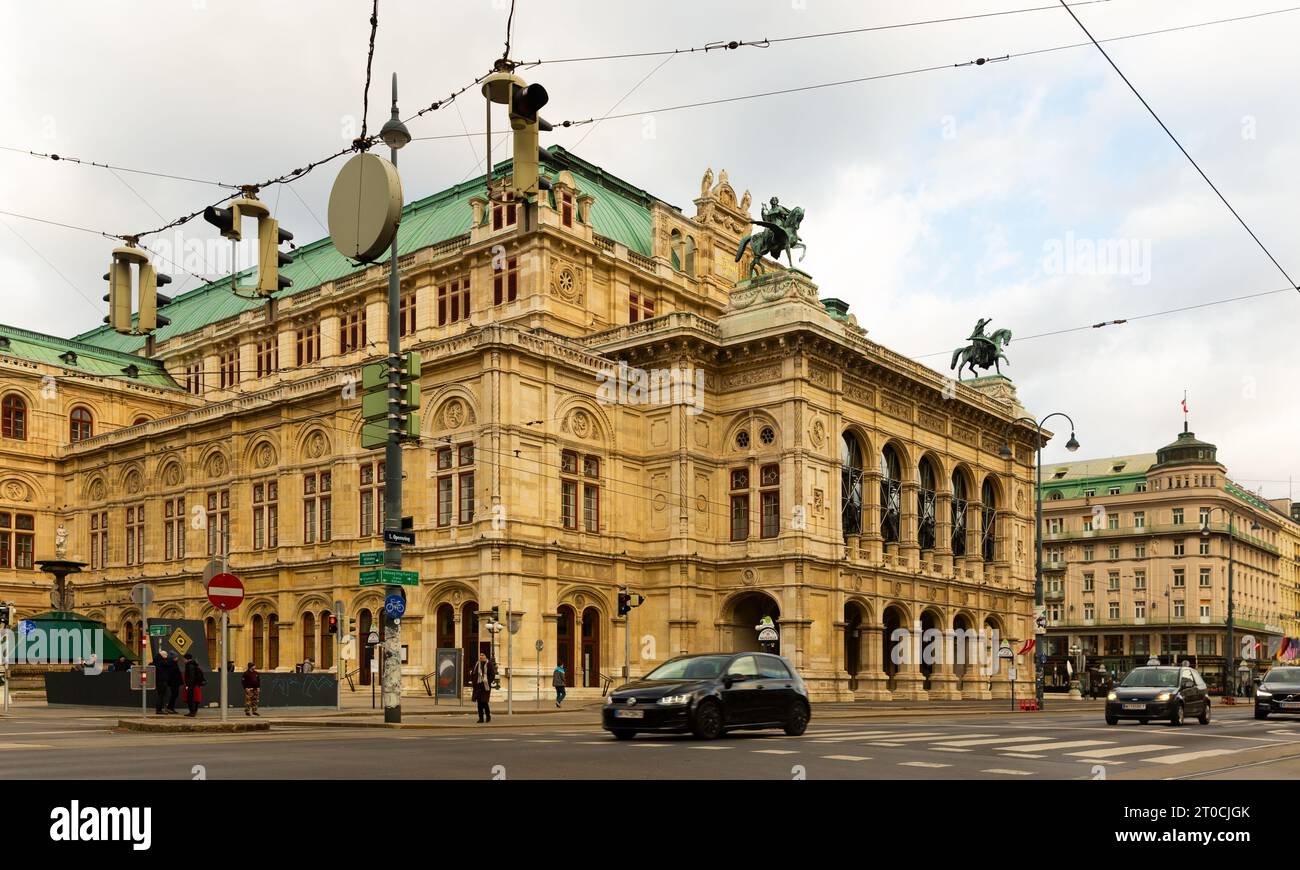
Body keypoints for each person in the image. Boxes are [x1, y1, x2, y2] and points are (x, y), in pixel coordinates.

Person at [471, 652, 497, 723]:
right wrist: (474, 683)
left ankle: (488, 716)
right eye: (480, 655)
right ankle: (481, 718)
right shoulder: (477, 664)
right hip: (478, 686)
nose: (481, 656)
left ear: (485, 656)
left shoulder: (489, 664)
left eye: (483, 655)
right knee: (479, 703)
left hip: (485, 686)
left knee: (484, 702)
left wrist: (488, 682)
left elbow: (492, 675)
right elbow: (473, 674)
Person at [181, 653, 206, 717]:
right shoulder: (193, 665)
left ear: (186, 659)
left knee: (190, 699)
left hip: (191, 685)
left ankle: (192, 712)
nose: (183, 660)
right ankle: (193, 711)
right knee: (192, 698)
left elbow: (191, 677)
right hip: (194, 685)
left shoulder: (189, 666)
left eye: (184, 658)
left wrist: (188, 685)